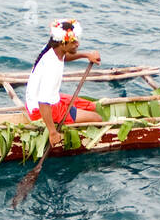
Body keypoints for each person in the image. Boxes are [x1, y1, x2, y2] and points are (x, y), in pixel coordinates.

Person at [25, 20, 105, 148]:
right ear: (62, 43)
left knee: (90, 106)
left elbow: (65, 56)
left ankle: (74, 118)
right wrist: (52, 132)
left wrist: (86, 55)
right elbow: (43, 102)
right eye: (73, 42)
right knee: (97, 118)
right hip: (41, 109)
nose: (77, 44)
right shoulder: (51, 67)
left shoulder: (53, 48)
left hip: (44, 99)